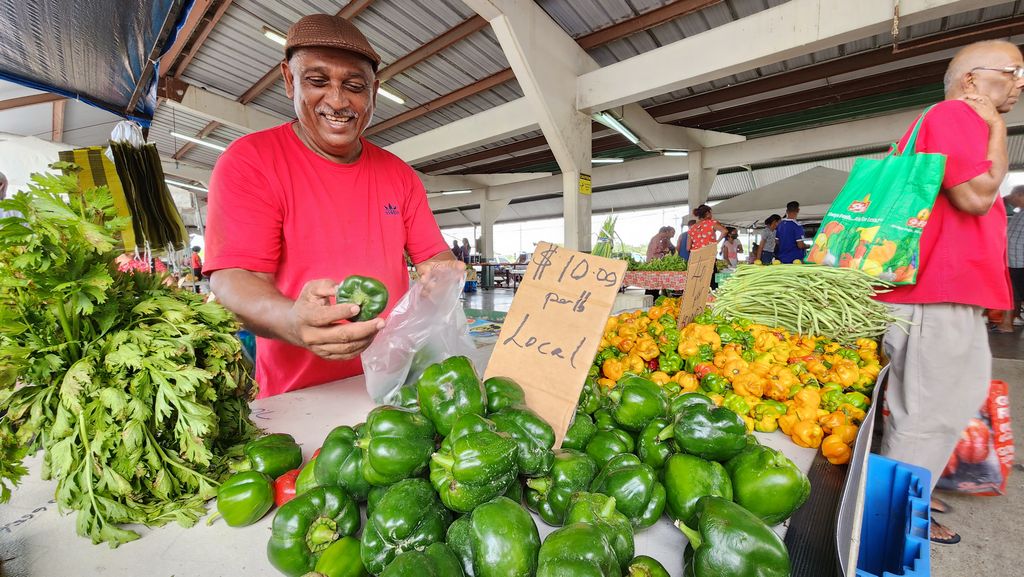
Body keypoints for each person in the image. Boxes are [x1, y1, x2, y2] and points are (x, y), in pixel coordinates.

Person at [203, 14, 462, 398]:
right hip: (299, 399)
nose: (338, 101)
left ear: (374, 89)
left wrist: (445, 279)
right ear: (289, 80)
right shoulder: (251, 161)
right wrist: (293, 322)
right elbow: (232, 280)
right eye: (318, 81)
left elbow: (434, 258)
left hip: (395, 386)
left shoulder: (399, 175)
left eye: (355, 86)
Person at [875, 40, 1022, 546]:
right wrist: (999, 130)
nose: (1020, 84)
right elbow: (977, 196)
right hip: (935, 293)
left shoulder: (945, 120)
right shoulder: (955, 115)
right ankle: (891, 526)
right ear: (971, 80)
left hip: (937, 291)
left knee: (934, 405)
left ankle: (912, 490)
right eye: (1013, 72)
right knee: (928, 415)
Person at [996, 186, 1024, 332]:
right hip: (1012, 261)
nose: (1011, 199)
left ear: (1020, 195)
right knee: (1014, 292)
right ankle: (1015, 318)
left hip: (1020, 261)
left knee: (1012, 292)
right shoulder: (1019, 212)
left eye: (1014, 196)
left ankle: (1007, 324)